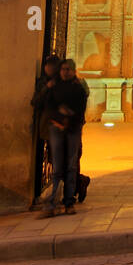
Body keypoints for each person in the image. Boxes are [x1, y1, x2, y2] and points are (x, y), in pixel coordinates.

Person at [40, 59, 88, 216]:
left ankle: (69, 201)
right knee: (58, 167)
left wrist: (69, 118)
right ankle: (52, 201)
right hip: (57, 128)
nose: (65, 72)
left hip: (73, 129)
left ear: (74, 71)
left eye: (68, 69)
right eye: (63, 69)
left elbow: (81, 109)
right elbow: (49, 106)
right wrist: (60, 118)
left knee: (71, 166)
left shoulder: (78, 88)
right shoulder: (54, 87)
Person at [30, 55, 61, 209]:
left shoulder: (63, 82)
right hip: (47, 128)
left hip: (62, 128)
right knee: (52, 160)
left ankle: (57, 195)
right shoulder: (43, 83)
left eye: (52, 66)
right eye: (48, 66)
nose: (49, 69)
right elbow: (35, 102)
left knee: (59, 162)